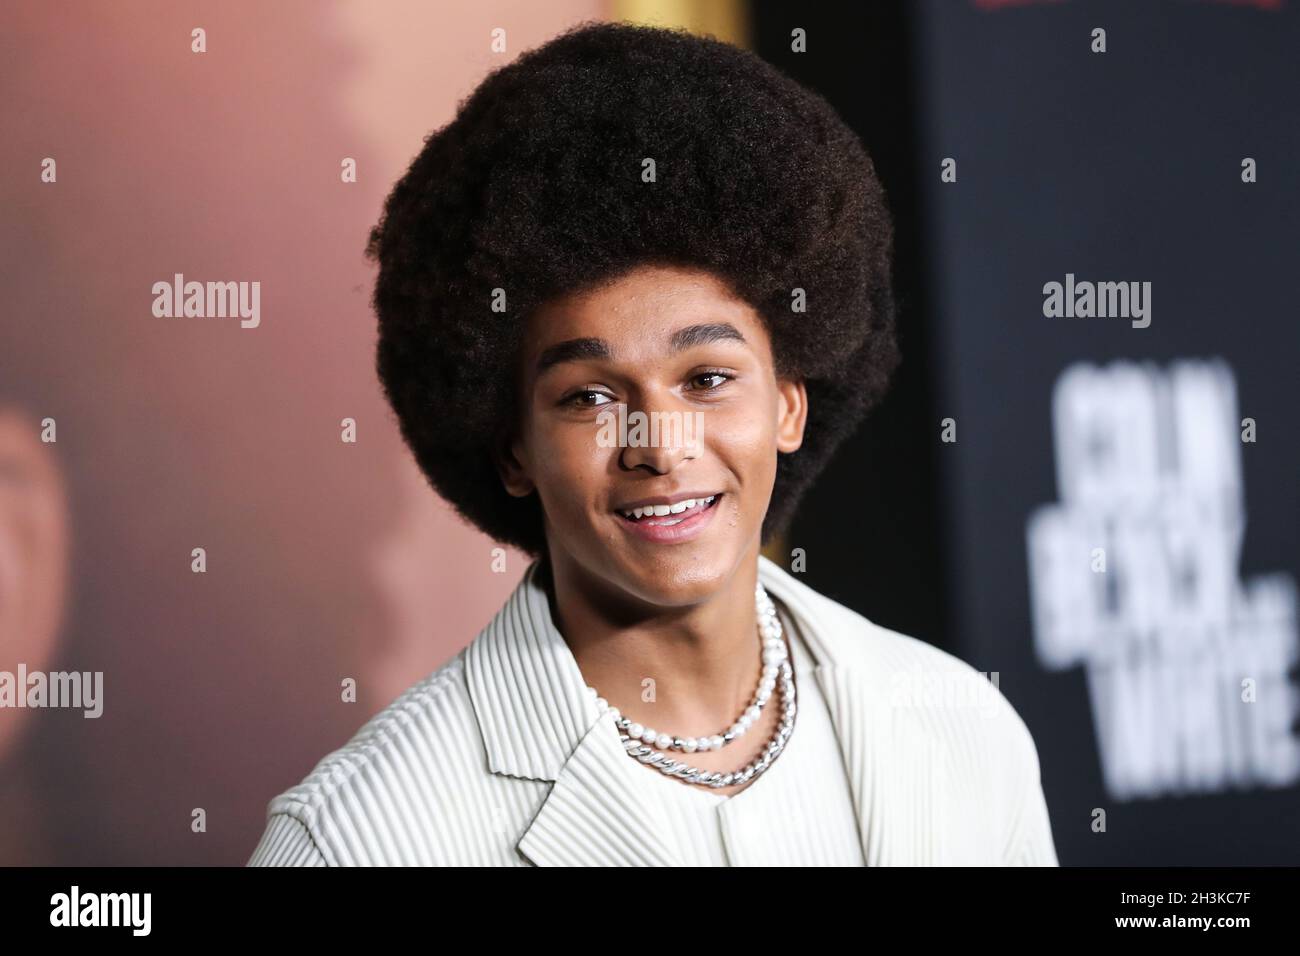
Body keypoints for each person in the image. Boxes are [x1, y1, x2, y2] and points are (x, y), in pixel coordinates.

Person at [247, 20, 1057, 866]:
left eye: (707, 379)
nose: (659, 446)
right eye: (590, 396)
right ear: (512, 449)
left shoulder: (963, 731)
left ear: (789, 404)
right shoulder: (356, 839)